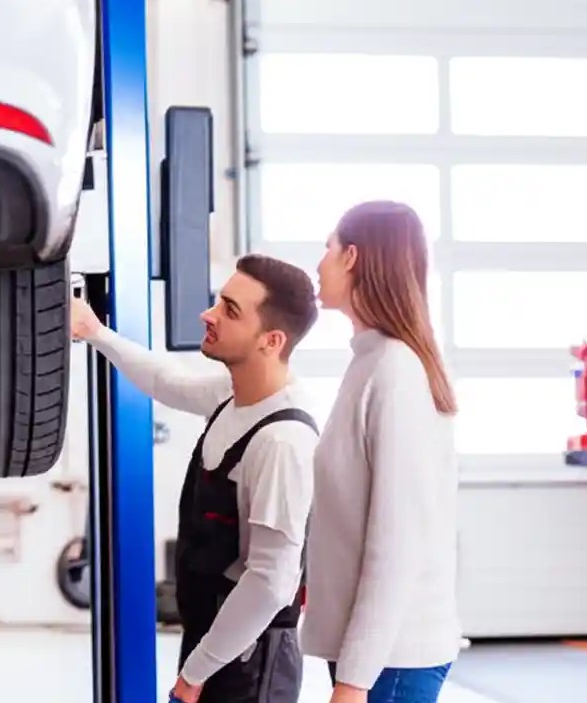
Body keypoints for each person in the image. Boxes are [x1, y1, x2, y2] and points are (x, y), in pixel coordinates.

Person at [70, 253, 320, 703]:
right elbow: (168, 382)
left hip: (250, 664)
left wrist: (196, 672)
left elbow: (270, 581)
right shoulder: (234, 396)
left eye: (229, 310)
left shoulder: (283, 443)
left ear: (271, 340)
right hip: (215, 644)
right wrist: (94, 332)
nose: (209, 315)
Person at [304, 200, 462, 703]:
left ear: (352, 257)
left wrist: (354, 682)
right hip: (375, 657)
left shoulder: (394, 371)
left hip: (388, 662)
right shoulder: (371, 361)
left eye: (326, 248)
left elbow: (397, 543)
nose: (319, 263)